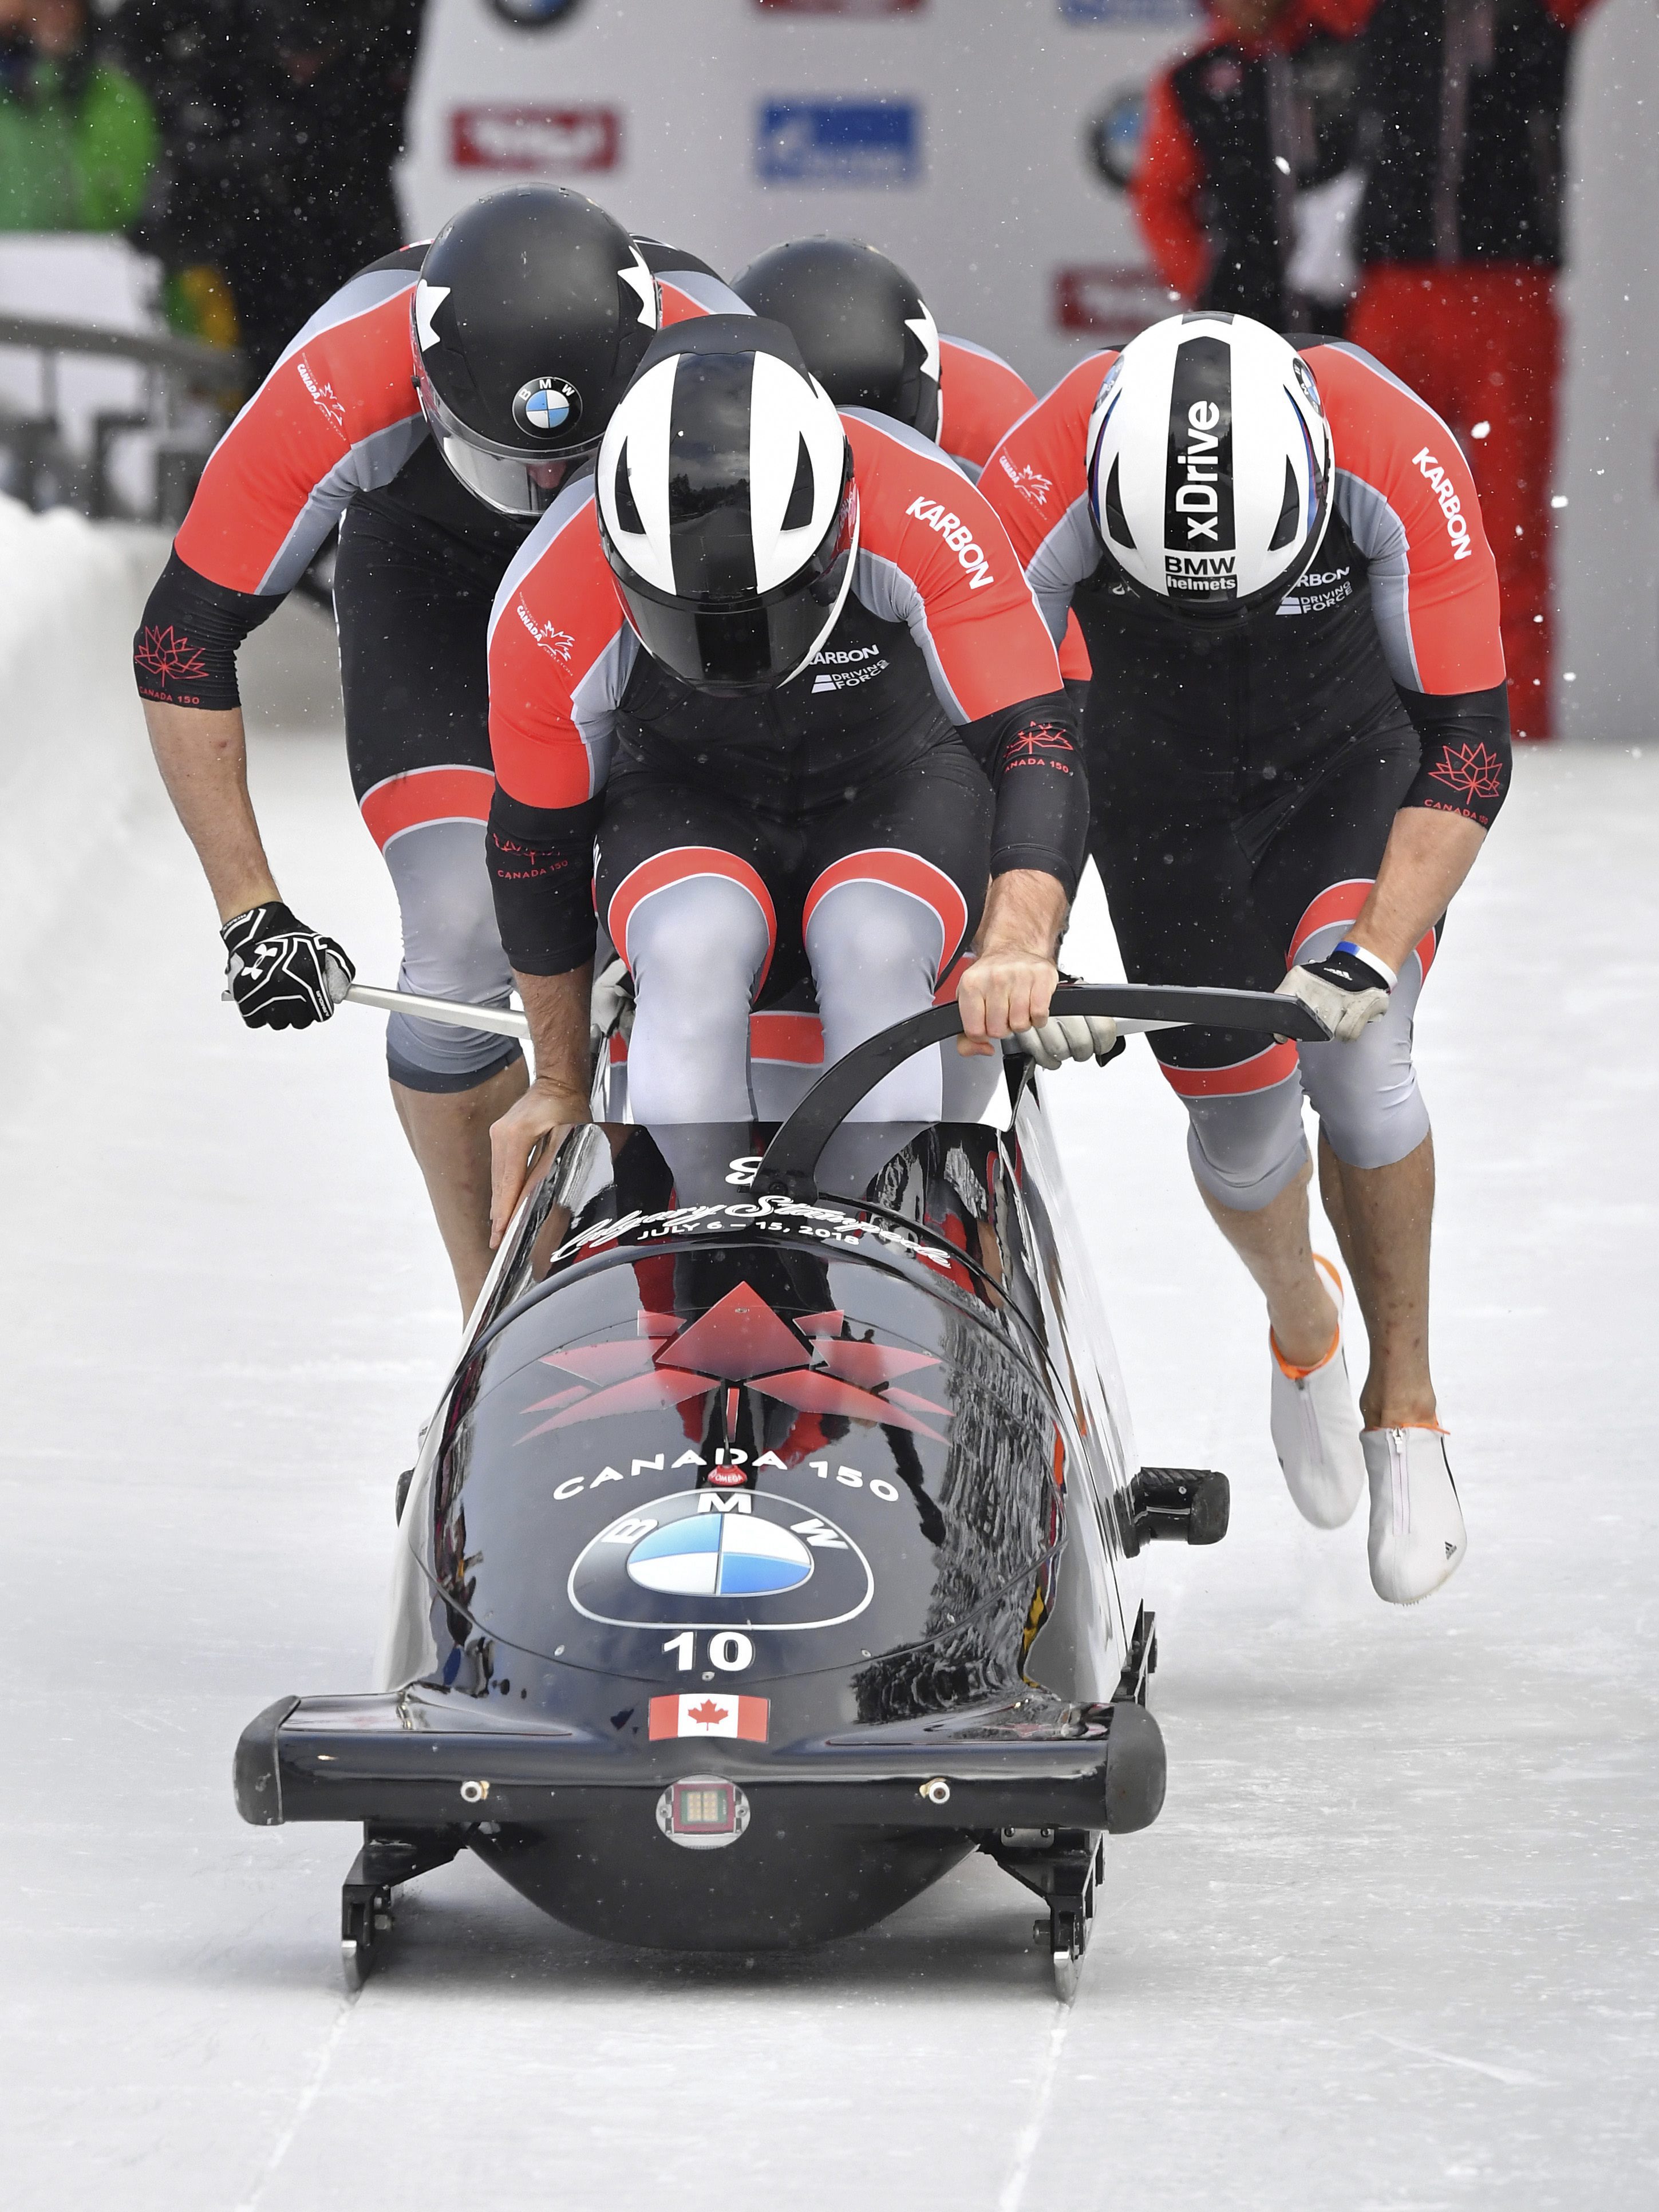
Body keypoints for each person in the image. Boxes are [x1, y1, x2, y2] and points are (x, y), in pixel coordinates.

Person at [135, 184, 746, 1315]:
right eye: (510, 462)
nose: (536, 493)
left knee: (693, 911)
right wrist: (250, 908)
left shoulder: (722, 361)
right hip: (432, 582)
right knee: (464, 933)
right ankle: (489, 1319)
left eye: (561, 464)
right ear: (424, 388)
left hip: (641, 567)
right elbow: (181, 640)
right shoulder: (337, 381)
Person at [981, 310, 1510, 1605]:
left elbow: (1469, 746)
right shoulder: (1038, 478)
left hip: (1346, 769)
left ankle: (1408, 1404)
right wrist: (1019, 943)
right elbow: (977, 729)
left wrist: (1377, 948)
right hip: (1160, 800)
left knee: (1362, 1061)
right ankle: (1301, 1318)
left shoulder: (1396, 450)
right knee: (1240, 1130)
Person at [483, 314, 1093, 1233]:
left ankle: (888, 1254)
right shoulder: (548, 599)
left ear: (841, 526)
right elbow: (537, 839)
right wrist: (561, 1081)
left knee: (874, 947)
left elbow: (1032, 735)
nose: (738, 651)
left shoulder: (923, 509)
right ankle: (683, 1256)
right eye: (696, 618)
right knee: (689, 949)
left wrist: (1019, 941)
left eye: (768, 610)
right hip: (689, 804)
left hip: (897, 788)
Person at [1347, 0, 1602, 741]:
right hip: (1394, 291)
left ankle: (1516, 740)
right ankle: (1368, 737)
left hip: (1508, 291)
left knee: (1509, 531)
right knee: (1366, 530)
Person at [1132, 0, 1372, 338]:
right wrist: (1207, 284)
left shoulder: (1349, 52)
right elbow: (1161, 201)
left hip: (1356, 311)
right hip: (1244, 315)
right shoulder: (1192, 80)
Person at [0, 0, 157, 232]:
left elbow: (120, 209)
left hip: (88, 258)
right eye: (41, 5)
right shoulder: (12, 96)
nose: (54, 14)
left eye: (66, 5)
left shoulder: (115, 98)